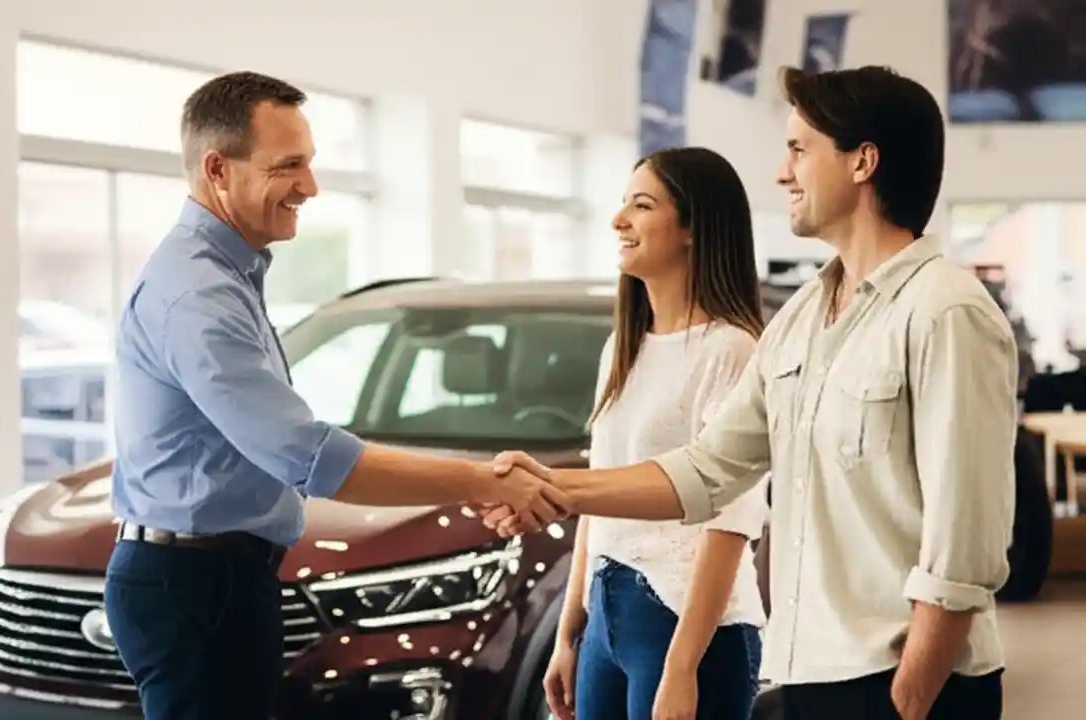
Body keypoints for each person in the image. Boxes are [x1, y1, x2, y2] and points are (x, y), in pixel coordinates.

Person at [487, 65, 1018, 720]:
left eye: (799, 150)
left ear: (863, 162)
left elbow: (963, 547)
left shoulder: (945, 312)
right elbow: (708, 470)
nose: (781, 173)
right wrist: (559, 489)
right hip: (804, 671)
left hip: (903, 683)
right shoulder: (800, 321)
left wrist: (909, 697)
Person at [102, 70, 568, 720]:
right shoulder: (199, 296)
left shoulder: (224, 277)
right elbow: (305, 453)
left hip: (216, 577)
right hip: (198, 587)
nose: (310, 187)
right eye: (288, 165)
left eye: (310, 163)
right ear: (218, 169)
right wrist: (480, 483)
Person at [543, 147, 769, 720]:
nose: (619, 219)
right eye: (623, 204)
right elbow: (601, 489)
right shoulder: (624, 348)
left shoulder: (732, 349)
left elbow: (731, 520)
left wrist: (682, 667)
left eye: (641, 206)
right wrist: (569, 630)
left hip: (692, 627)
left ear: (694, 229)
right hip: (607, 614)